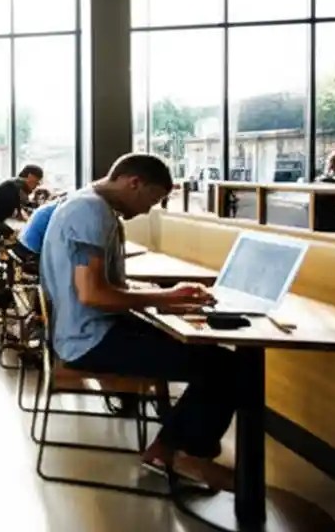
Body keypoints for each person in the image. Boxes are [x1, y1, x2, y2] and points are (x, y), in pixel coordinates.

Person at [40, 153, 237, 490]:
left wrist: (158, 293)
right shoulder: (90, 212)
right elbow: (92, 295)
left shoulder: (86, 204)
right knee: (226, 368)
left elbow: (100, 286)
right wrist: (164, 298)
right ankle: (190, 454)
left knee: (216, 359)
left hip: (85, 331)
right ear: (134, 183)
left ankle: (168, 449)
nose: (148, 210)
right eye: (152, 199)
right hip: (89, 339)